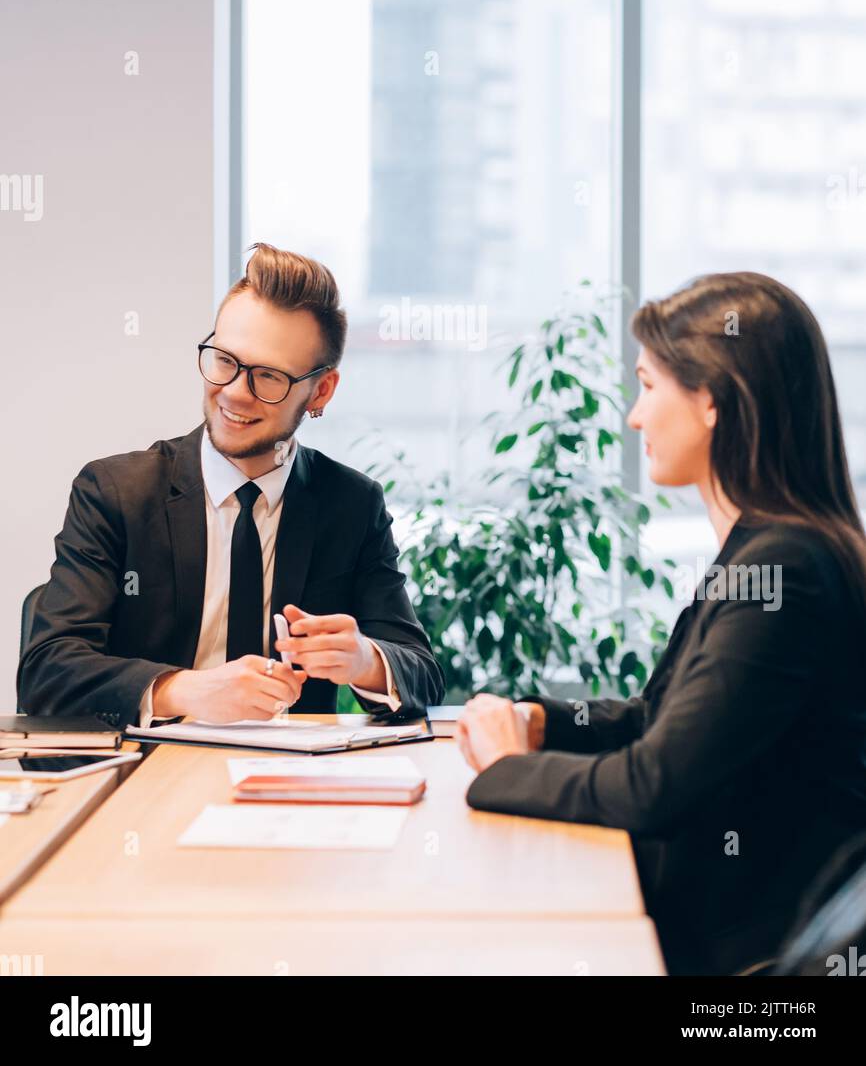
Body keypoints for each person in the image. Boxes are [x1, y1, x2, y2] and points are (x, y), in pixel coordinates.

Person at [457, 272, 866, 976]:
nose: (634, 417)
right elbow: (664, 719)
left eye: (648, 385)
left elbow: (653, 785)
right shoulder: (772, 551)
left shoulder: (785, 572)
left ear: (709, 398)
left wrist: (509, 766)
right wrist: (542, 722)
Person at [18, 243, 444, 731]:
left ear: (320, 391)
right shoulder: (115, 493)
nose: (235, 392)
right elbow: (46, 670)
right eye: (224, 361)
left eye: (268, 376)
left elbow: (423, 675)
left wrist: (364, 659)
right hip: (150, 771)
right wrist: (186, 690)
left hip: (291, 784)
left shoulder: (352, 505)